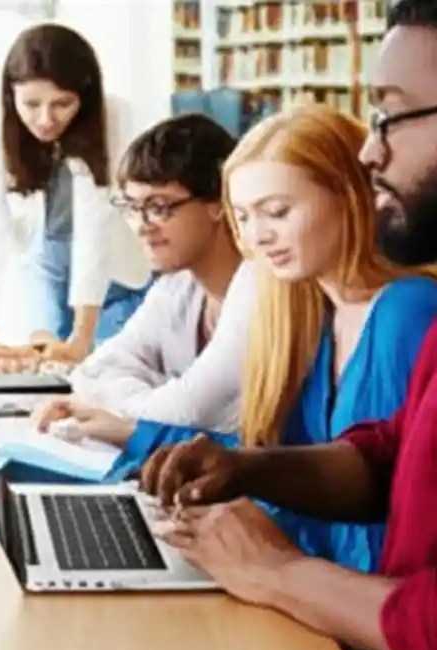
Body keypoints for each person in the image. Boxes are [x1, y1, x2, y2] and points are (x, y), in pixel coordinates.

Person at [143, 3, 437, 650]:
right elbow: (396, 456)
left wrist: (276, 570)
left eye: (393, 117)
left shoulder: (406, 310)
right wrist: (247, 467)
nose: (371, 153)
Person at [120, 104, 437, 576]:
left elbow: (384, 514)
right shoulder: (302, 310)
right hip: (311, 588)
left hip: (355, 612)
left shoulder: (406, 311)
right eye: (244, 217)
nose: (258, 237)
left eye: (278, 212)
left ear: (349, 195)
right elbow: (284, 463)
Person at [31, 114, 253, 447]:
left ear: (219, 203)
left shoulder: (257, 290)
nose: (141, 226)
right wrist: (147, 401)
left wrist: (124, 410)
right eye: (133, 207)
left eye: (159, 207)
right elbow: (91, 373)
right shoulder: (178, 286)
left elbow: (184, 412)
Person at [0, 23, 152, 368]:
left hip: (115, 272)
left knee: (104, 367)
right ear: (11, 95)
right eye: (31, 104)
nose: (46, 119)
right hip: (47, 262)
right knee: (45, 361)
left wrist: (82, 336)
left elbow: (96, 229)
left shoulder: (114, 117)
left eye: (62, 104)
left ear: (85, 95)